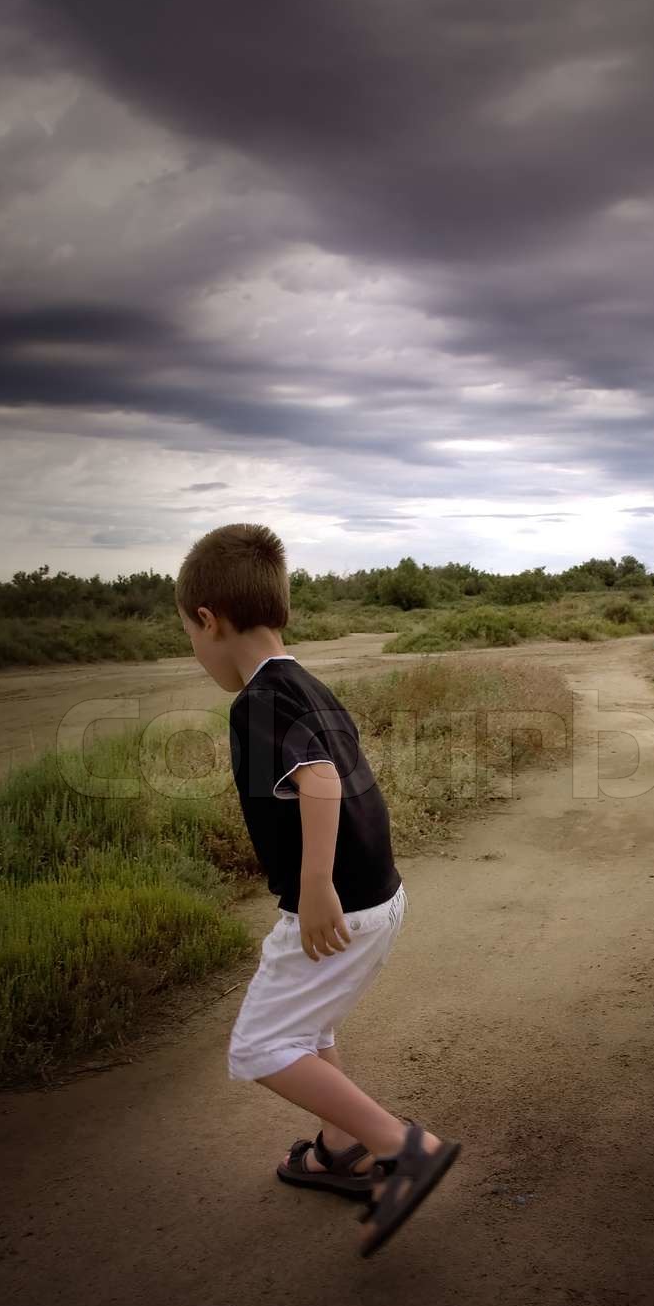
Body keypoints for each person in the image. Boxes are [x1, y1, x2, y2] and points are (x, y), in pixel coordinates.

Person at [176, 523, 459, 1257]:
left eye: (189, 635)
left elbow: (320, 779)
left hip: (342, 903)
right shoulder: (308, 682)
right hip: (379, 894)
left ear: (208, 620)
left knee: (262, 1047)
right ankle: (342, 1148)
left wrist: (313, 890)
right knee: (308, 1023)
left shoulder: (259, 700)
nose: (196, 651)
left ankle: (400, 1145)